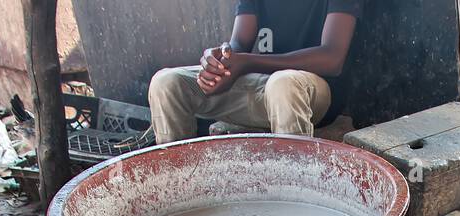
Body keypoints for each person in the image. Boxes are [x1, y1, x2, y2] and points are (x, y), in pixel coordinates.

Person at [148, 1, 363, 142]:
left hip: (311, 94)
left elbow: (332, 58)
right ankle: (178, 184)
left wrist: (248, 62)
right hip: (263, 86)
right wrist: (220, 61)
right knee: (166, 83)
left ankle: (293, 193)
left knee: (283, 84)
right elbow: (239, 43)